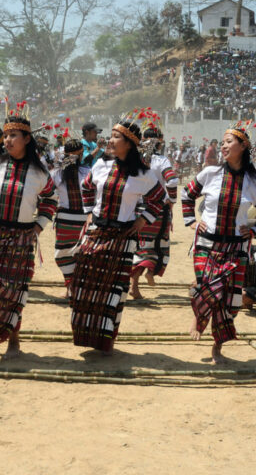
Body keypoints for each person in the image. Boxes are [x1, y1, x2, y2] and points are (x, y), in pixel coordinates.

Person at [182, 127, 256, 364]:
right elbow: (186, 196)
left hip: (236, 247)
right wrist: (192, 221)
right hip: (207, 243)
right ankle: (200, 314)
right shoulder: (210, 173)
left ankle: (218, 346)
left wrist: (255, 230)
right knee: (206, 286)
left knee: (229, 299)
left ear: (243, 146)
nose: (223, 147)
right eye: (222, 143)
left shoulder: (253, 182)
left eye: (228, 142)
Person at [70, 119, 165, 355]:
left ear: (130, 144)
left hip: (123, 237)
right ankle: (86, 334)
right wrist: (89, 212)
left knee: (113, 291)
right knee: (83, 282)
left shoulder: (144, 174)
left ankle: (106, 341)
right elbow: (87, 187)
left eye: (116, 137)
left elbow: (159, 200)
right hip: (96, 231)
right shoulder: (102, 166)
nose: (110, 141)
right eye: (111, 135)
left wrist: (143, 220)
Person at [0, 113, 56, 358]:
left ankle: (13, 341)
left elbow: (51, 200)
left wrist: (38, 226)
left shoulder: (39, 172)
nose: (7, 140)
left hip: (22, 237)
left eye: (13, 135)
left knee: (14, 293)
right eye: (5, 135)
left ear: (27, 139)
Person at [131, 126, 178, 299]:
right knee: (158, 246)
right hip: (158, 209)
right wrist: (171, 201)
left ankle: (134, 286)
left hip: (136, 209)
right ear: (160, 142)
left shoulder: (134, 159)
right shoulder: (161, 161)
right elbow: (172, 181)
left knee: (138, 246)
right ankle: (151, 270)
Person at [51, 138, 90, 295]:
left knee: (63, 254)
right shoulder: (89, 172)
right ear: (81, 155)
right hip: (85, 218)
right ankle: (75, 285)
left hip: (65, 219)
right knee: (82, 254)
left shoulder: (56, 174)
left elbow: (48, 195)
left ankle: (69, 284)